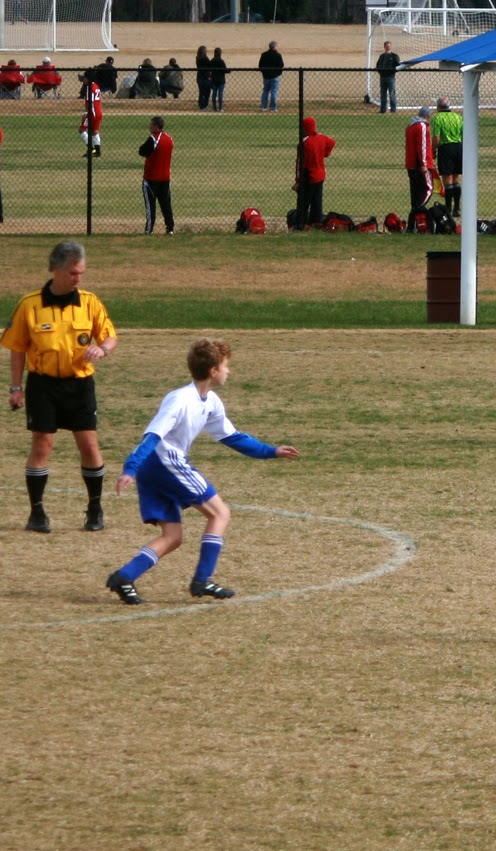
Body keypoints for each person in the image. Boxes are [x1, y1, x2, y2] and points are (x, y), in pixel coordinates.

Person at [105, 338, 301, 605]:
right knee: (220, 512)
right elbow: (152, 435)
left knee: (172, 537)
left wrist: (271, 451)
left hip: (156, 467)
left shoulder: (210, 401)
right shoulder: (179, 400)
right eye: (226, 365)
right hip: (164, 463)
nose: (229, 371)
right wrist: (130, 468)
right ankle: (202, 580)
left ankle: (124, 577)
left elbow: (232, 437)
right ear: (213, 371)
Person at [2, 241, 117, 533]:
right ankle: (37, 513)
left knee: (89, 444)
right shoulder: (30, 305)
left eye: (81, 273)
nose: (78, 278)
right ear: (55, 268)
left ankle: (94, 509)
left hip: (79, 385)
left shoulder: (89, 303)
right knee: (42, 443)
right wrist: (15, 387)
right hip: (43, 385)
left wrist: (102, 349)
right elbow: (17, 348)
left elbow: (109, 336)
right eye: (72, 272)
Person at [293, 116, 335, 230]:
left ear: (305, 128)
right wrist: (325, 153)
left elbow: (300, 165)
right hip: (320, 175)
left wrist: (297, 182)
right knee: (317, 201)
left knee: (303, 202)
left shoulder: (304, 143)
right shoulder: (321, 137)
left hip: (309, 176)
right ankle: (316, 223)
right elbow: (332, 142)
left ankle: (301, 224)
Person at [139, 116, 176, 235]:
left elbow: (142, 151)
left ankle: (149, 229)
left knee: (150, 206)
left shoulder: (153, 139)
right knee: (166, 204)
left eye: (151, 125)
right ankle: (170, 228)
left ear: (156, 126)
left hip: (151, 177)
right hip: (165, 177)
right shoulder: (169, 139)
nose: (149, 127)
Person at [431, 99, 463, 218]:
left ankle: (448, 208)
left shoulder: (437, 118)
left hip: (446, 148)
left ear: (438, 107)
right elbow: (463, 134)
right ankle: (457, 208)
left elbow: (436, 138)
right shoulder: (457, 117)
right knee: (456, 177)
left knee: (447, 178)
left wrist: (433, 151)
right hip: (458, 147)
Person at [405, 105, 437, 213]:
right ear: (427, 116)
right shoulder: (422, 126)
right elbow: (422, 146)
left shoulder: (410, 126)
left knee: (415, 191)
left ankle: (415, 214)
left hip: (411, 164)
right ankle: (418, 209)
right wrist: (424, 164)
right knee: (428, 188)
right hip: (421, 165)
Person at [79, 70, 103, 157]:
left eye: (85, 78)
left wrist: (86, 113)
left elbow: (90, 101)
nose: (83, 80)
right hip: (99, 112)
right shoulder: (96, 86)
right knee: (95, 131)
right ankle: (97, 151)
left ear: (88, 78)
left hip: (92, 112)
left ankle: (91, 148)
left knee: (82, 130)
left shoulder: (89, 88)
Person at [258, 40, 284, 112]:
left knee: (265, 91)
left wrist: (264, 72)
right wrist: (278, 73)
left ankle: (263, 107)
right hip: (275, 76)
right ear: (275, 47)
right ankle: (273, 108)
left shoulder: (264, 54)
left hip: (266, 76)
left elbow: (260, 65)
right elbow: (281, 66)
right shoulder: (278, 55)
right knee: (274, 91)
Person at [375, 40, 401, 114]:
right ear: (384, 47)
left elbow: (398, 66)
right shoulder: (382, 56)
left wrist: (391, 72)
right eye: (387, 46)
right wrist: (380, 72)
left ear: (391, 47)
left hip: (390, 77)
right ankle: (383, 110)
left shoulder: (394, 56)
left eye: (389, 46)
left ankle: (393, 110)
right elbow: (378, 65)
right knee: (383, 94)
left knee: (391, 94)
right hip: (382, 77)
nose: (388, 47)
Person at [194, 45, 212, 110]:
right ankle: (204, 105)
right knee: (207, 92)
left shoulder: (198, 58)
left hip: (199, 77)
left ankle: (201, 105)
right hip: (205, 77)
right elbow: (209, 66)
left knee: (201, 92)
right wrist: (209, 76)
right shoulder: (205, 59)